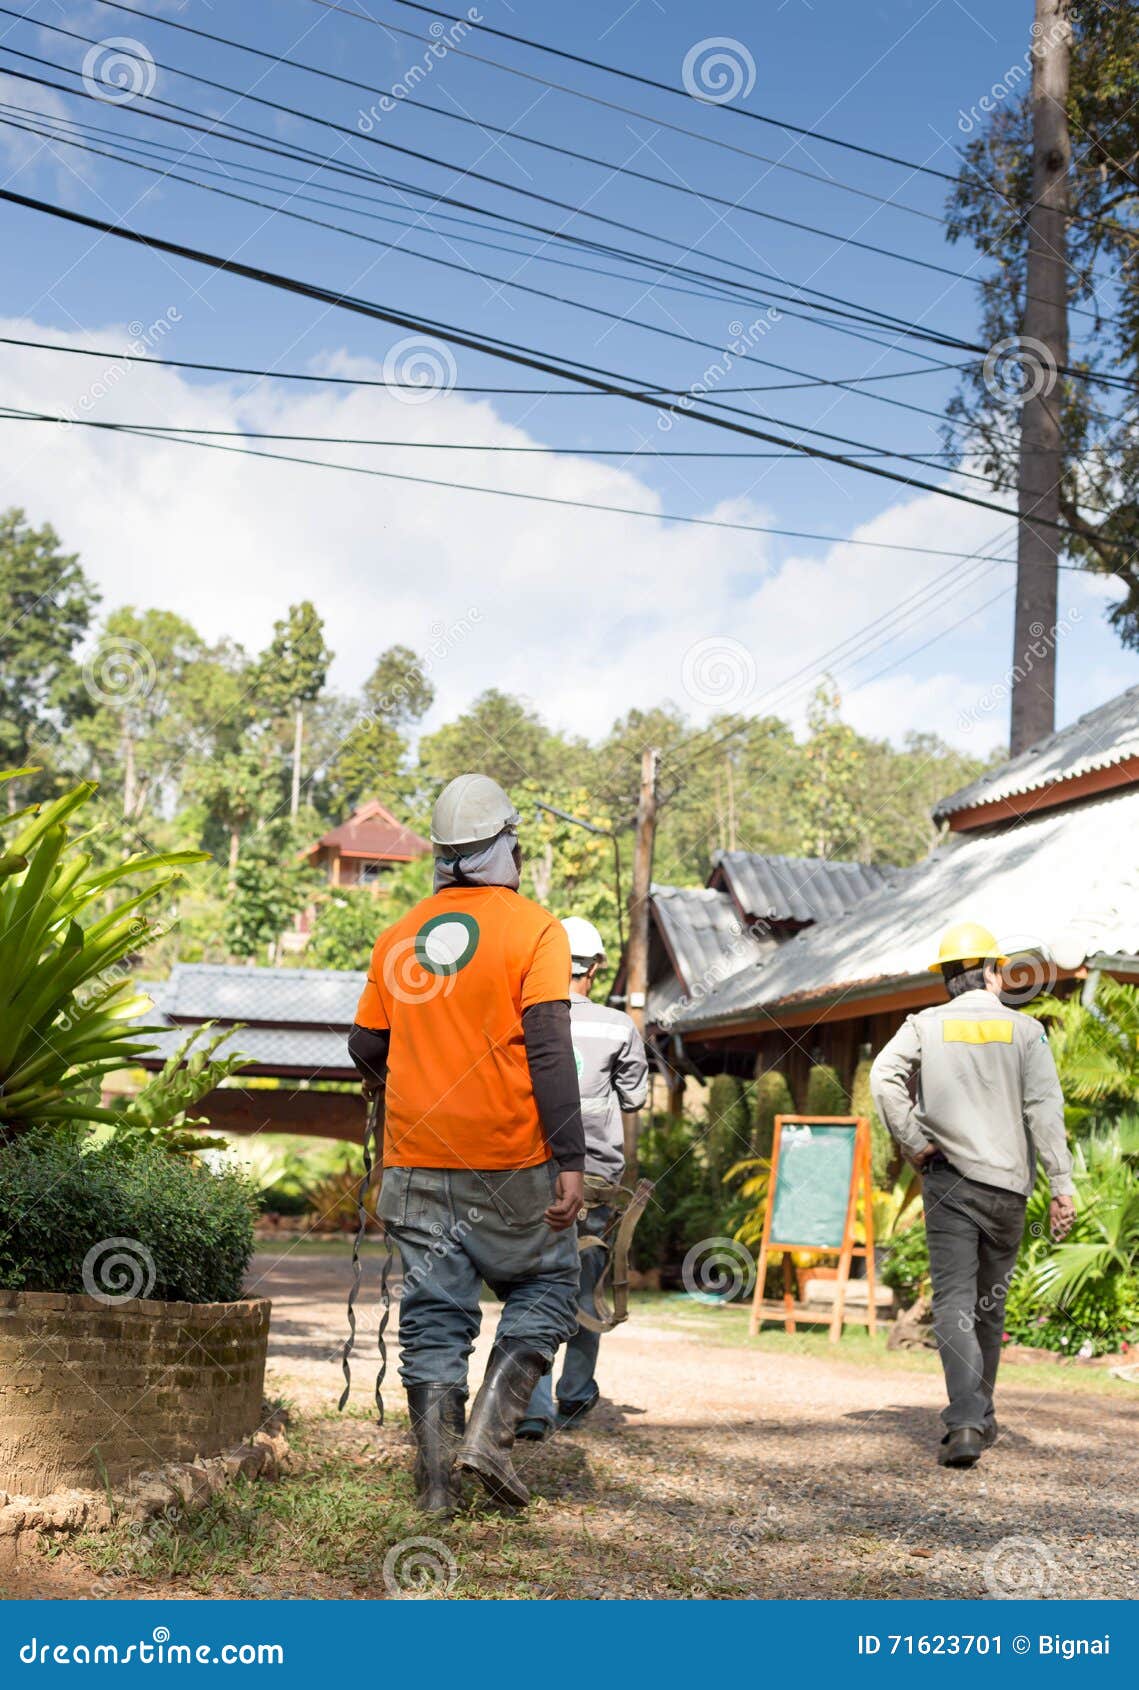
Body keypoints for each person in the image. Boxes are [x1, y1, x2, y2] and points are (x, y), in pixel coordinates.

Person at [347, 773, 585, 1516]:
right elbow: (549, 1048)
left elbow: (364, 1045)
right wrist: (571, 1160)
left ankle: (437, 1486)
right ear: (501, 846)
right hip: (509, 1163)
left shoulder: (399, 938)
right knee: (549, 1286)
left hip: (415, 1162)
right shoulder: (535, 930)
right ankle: (488, 1436)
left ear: (445, 856)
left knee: (432, 1314)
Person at [870, 920, 1075, 1470]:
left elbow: (883, 1076)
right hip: (1008, 1189)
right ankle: (979, 1415)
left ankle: (967, 1420)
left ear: (946, 980)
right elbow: (1044, 1112)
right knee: (990, 1304)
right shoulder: (1026, 1030)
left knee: (956, 1302)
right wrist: (1061, 1185)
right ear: (991, 973)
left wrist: (914, 1142)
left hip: (950, 1181)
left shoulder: (923, 1025)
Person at [517, 916, 649, 1440]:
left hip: (530, 1175)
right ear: (595, 967)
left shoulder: (522, 1019)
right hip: (594, 1179)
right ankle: (573, 1395)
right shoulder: (619, 1027)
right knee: (587, 1286)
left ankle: (532, 1406)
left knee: (531, 1288)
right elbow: (635, 1098)